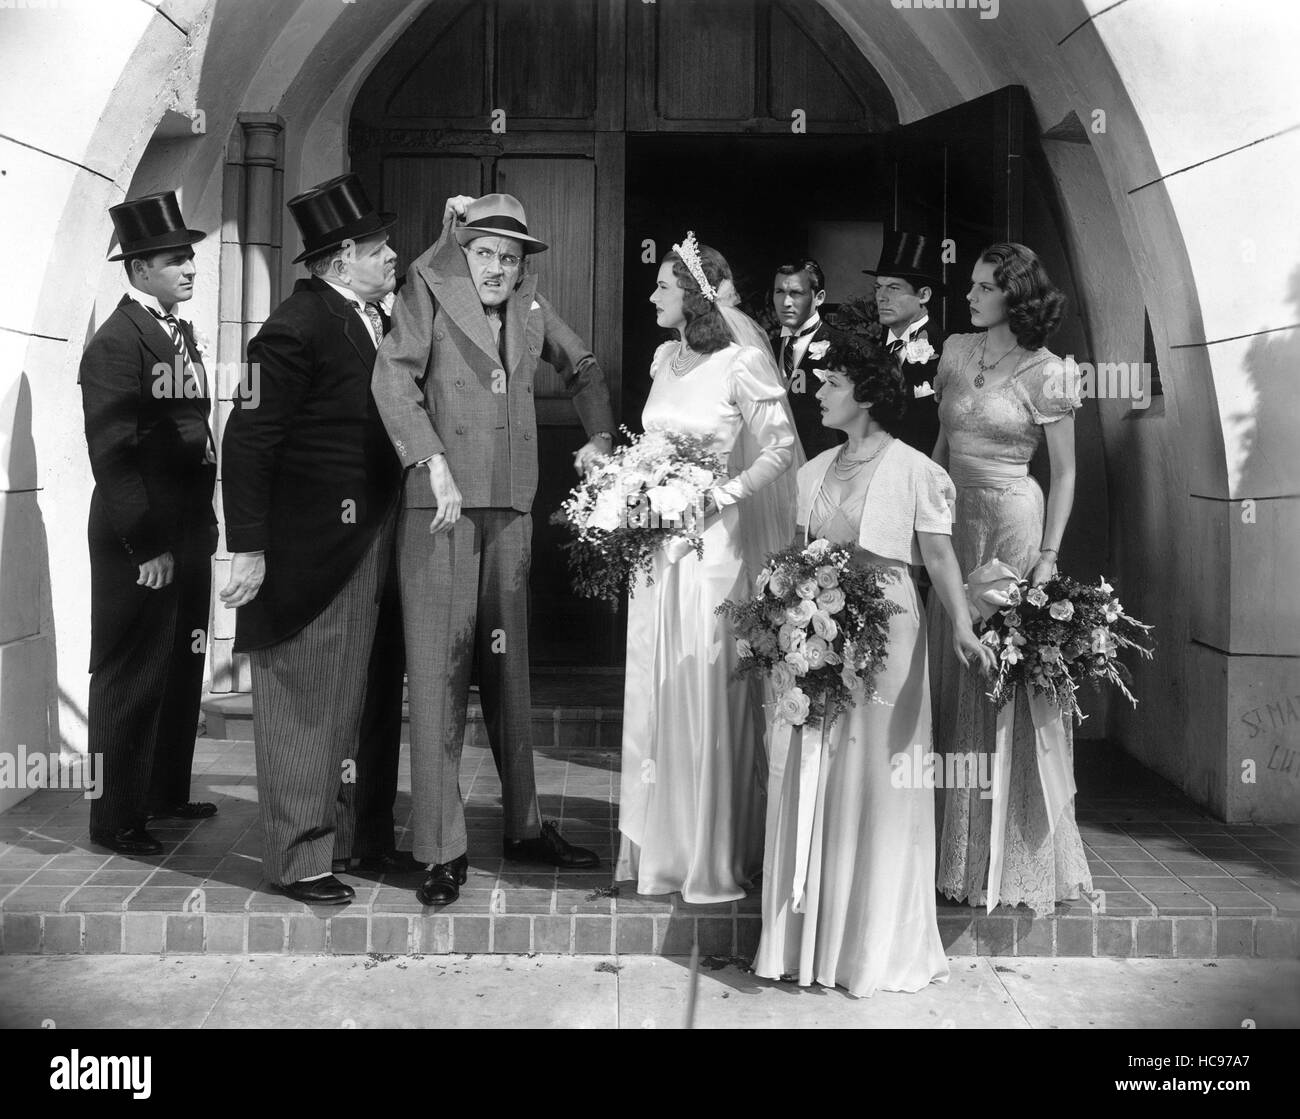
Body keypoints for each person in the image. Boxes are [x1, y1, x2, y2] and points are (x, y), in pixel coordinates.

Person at [371, 193, 616, 907]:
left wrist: (600, 442)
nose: (498, 269)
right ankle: (440, 849)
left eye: (510, 258)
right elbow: (392, 378)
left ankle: (525, 827)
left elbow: (587, 366)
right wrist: (428, 458)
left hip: (509, 506)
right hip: (441, 512)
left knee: (510, 676)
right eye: (485, 254)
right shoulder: (428, 290)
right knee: (440, 675)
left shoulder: (534, 309)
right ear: (463, 251)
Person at [754, 340, 992, 997]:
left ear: (864, 394)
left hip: (889, 637)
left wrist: (966, 630)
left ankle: (872, 946)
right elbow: (794, 560)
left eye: (831, 382)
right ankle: (813, 944)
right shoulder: (812, 472)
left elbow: (940, 562)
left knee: (879, 782)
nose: (820, 392)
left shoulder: (918, 471)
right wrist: (782, 622)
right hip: (819, 632)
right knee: (821, 777)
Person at [220, 173, 404, 904]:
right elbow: (247, 437)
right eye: (381, 247)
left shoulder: (367, 318)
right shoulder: (295, 327)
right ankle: (298, 860)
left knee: (348, 698)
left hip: (363, 541)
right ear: (342, 257)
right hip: (310, 553)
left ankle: (341, 838)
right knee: (304, 699)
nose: (392, 257)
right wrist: (252, 546)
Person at [616, 234, 798, 904]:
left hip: (711, 549)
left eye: (663, 286)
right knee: (657, 682)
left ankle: (709, 851)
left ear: (692, 294)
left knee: (703, 684)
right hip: (654, 548)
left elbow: (779, 448)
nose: (652, 295)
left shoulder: (741, 363)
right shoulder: (667, 357)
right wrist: (631, 490)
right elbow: (653, 444)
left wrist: (718, 495)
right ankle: (658, 844)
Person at [929, 241, 1092, 914]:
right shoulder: (955, 351)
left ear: (1014, 296)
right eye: (971, 282)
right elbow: (939, 447)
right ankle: (949, 848)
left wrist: (1048, 559)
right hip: (953, 521)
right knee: (950, 664)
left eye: (984, 285)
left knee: (999, 678)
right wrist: (926, 522)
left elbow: (1067, 472)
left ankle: (1005, 859)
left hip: (1013, 527)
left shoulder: (1048, 373)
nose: (970, 293)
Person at [81, 191, 218, 856]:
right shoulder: (116, 343)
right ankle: (115, 818)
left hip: (187, 531)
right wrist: (147, 544)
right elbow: (113, 454)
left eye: (189, 258)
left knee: (180, 664)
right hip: (141, 539)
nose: (189, 269)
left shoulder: (173, 329)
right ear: (137, 270)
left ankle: (165, 791)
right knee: (129, 672)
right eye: (174, 260)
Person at [864, 231, 945, 456]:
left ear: (924, 295)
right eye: (878, 287)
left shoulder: (946, 349)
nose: (881, 297)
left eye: (893, 288)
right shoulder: (871, 347)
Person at [767, 259, 846, 458]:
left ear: (819, 297)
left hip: (826, 466)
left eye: (796, 293)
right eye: (779, 292)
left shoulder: (844, 348)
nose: (786, 302)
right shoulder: (765, 349)